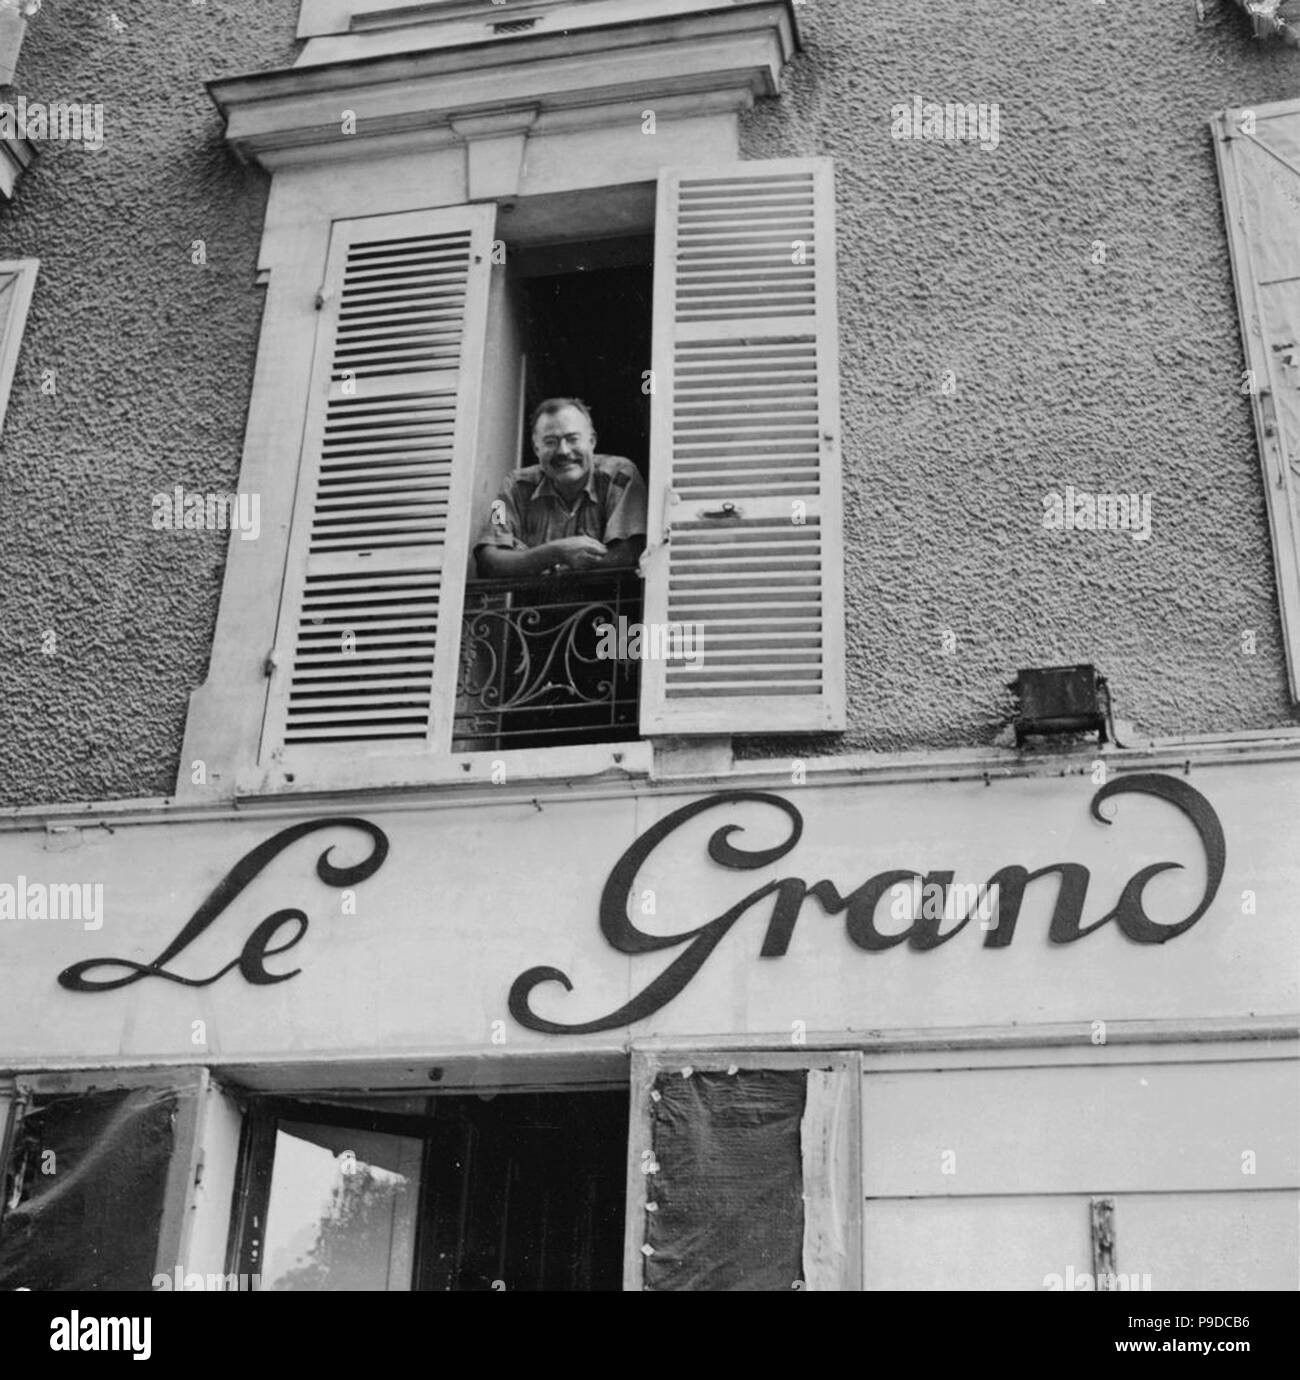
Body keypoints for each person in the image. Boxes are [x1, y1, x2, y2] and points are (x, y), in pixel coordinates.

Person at [474, 398, 647, 578]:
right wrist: (556, 552)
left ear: (592, 441)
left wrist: (551, 566)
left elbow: (630, 551)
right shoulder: (512, 487)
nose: (563, 451)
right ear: (536, 448)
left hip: (608, 605)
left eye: (572, 439)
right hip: (532, 606)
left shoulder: (620, 476)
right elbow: (488, 558)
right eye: (550, 442)